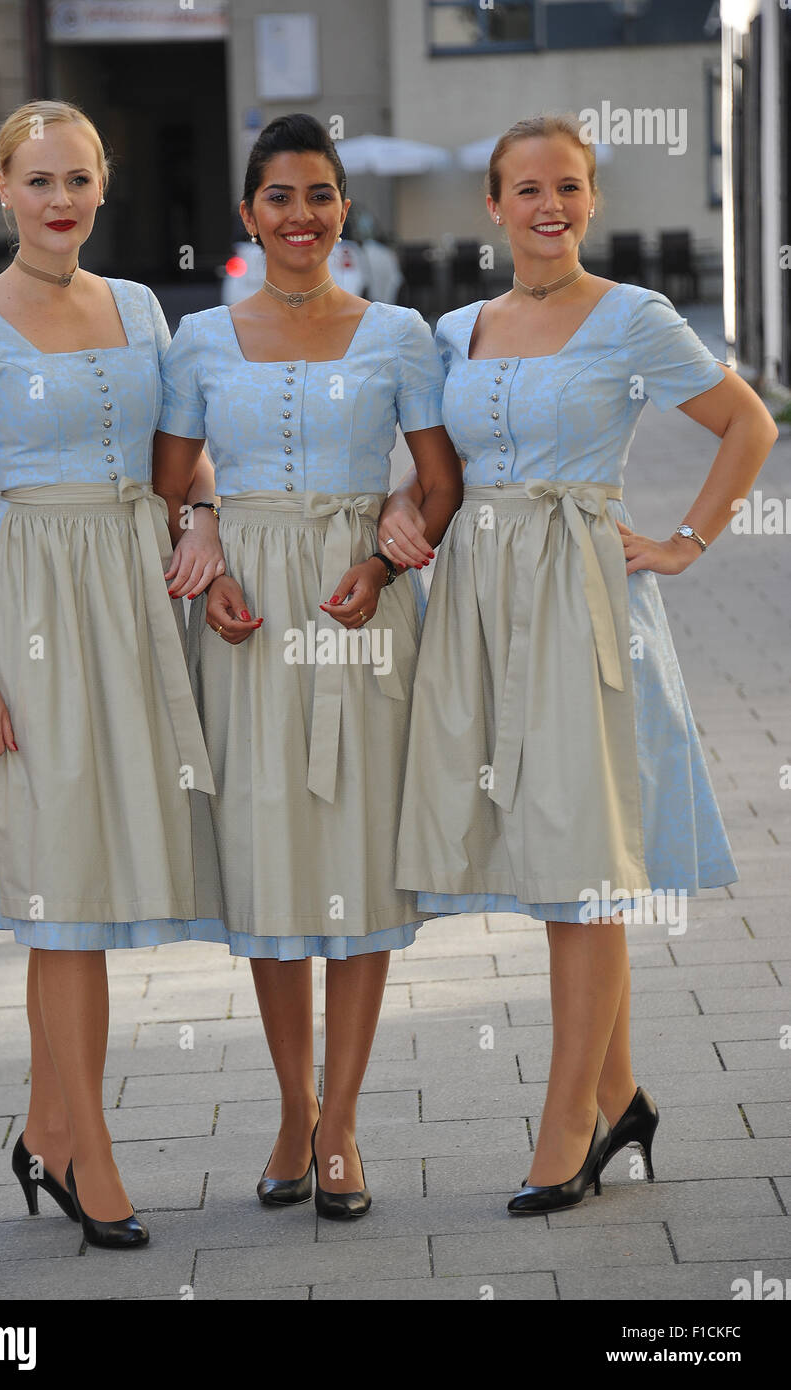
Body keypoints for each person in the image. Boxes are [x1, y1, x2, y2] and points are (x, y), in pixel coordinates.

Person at [384, 114, 778, 1215]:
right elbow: (427, 470)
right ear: (496, 206)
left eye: (568, 186)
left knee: (584, 868)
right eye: (527, 188)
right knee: (551, 854)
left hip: (588, 600)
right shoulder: (453, 331)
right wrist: (393, 512)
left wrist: (687, 540)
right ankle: (628, 1097)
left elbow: (748, 425)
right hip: (481, 603)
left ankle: (570, 1127)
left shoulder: (636, 318)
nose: (548, 204)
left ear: (590, 201)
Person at [0, 99, 222, 1249]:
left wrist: (203, 516)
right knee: (62, 898)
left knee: (90, 878)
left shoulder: (142, 306)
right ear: (3, 190)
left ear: (104, 185)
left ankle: (48, 1133)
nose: (61, 201)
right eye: (38, 181)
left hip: (134, 603)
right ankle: (90, 1157)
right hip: (33, 604)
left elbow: (181, 458)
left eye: (78, 179)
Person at [154, 113, 462, 1219]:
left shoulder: (398, 335)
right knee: (267, 852)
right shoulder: (197, 341)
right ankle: (294, 1105)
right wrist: (203, 528)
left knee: (361, 856)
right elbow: (173, 476)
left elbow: (437, 479)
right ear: (248, 216)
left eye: (320, 195)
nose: (302, 216)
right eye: (280, 197)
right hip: (244, 614)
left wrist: (384, 553)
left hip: (359, 606)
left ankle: (343, 1124)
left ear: (343, 210)